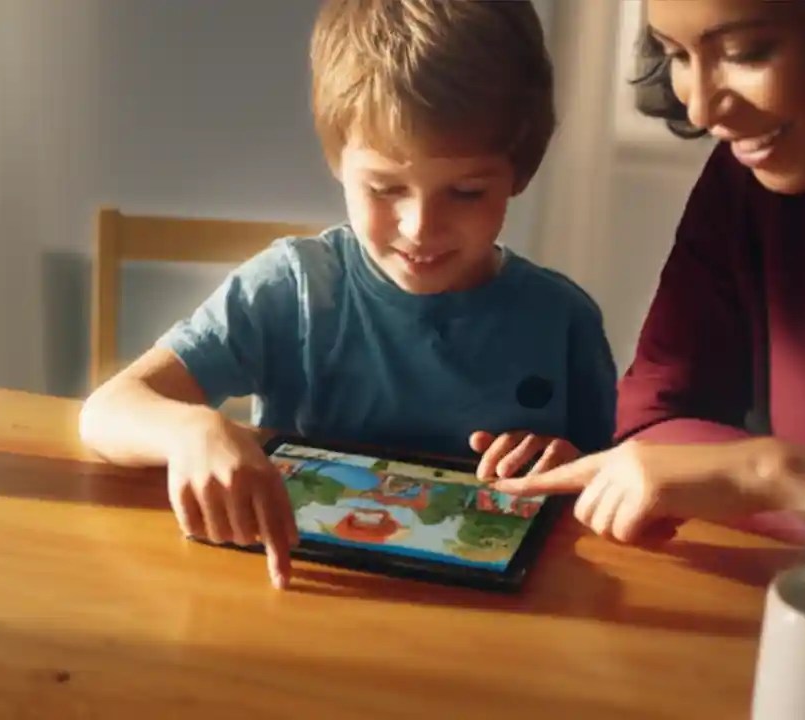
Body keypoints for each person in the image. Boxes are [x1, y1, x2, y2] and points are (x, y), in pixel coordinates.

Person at [487, 0, 805, 637]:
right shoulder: (748, 183)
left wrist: (778, 476)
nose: (700, 110)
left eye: (747, 52)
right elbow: (651, 423)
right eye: (676, 55)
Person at [80, 0, 617, 590]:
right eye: (385, 187)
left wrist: (567, 470)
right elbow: (109, 409)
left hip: (487, 630)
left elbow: (607, 496)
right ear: (338, 161)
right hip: (306, 600)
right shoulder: (294, 290)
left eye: (465, 192)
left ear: (519, 171)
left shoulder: (562, 322)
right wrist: (193, 431)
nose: (420, 227)